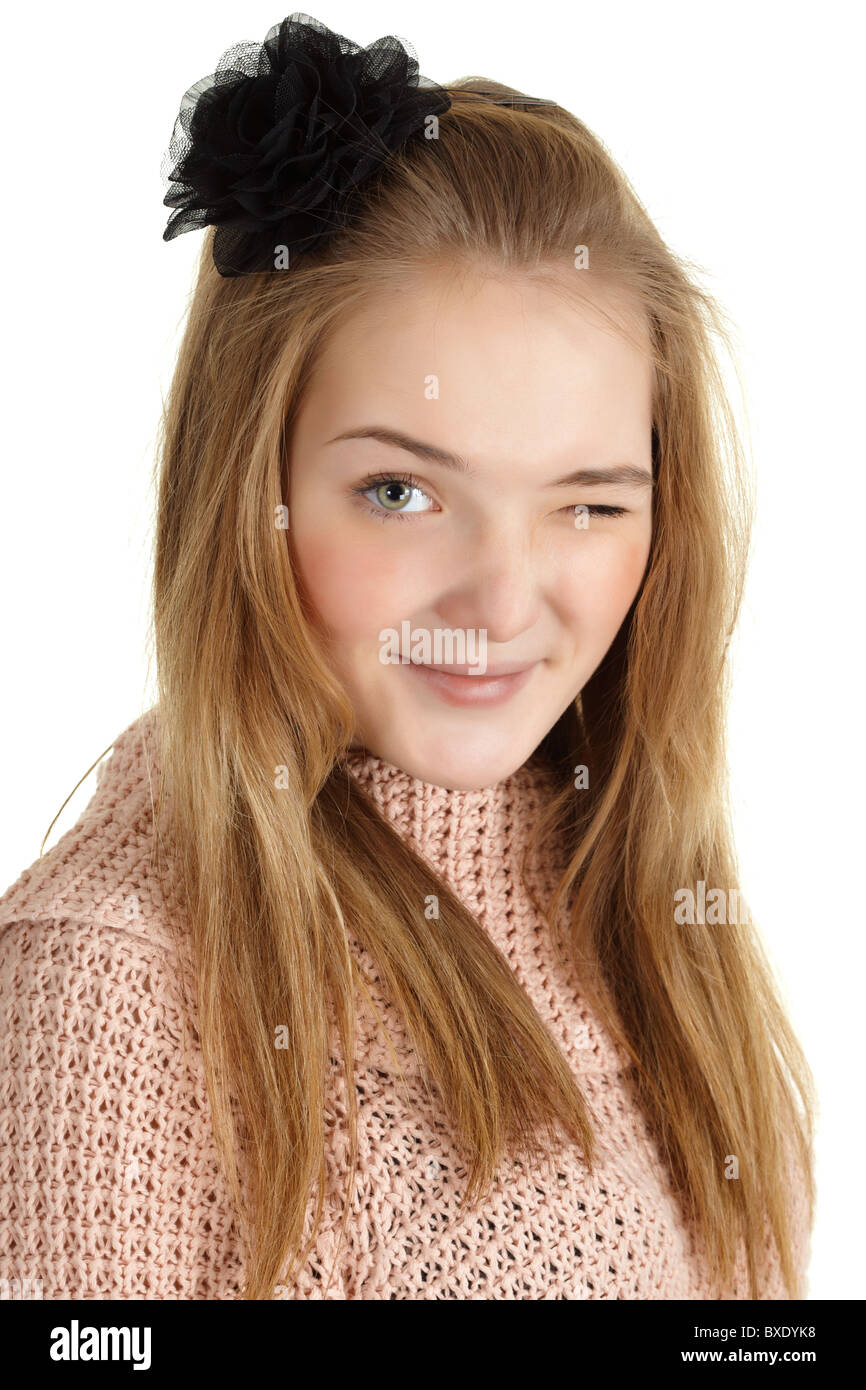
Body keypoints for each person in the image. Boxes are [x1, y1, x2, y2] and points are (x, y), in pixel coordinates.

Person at [0, 12, 815, 1300]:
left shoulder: (635, 895)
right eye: (400, 492)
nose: (501, 601)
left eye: (589, 503)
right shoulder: (111, 981)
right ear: (248, 486)